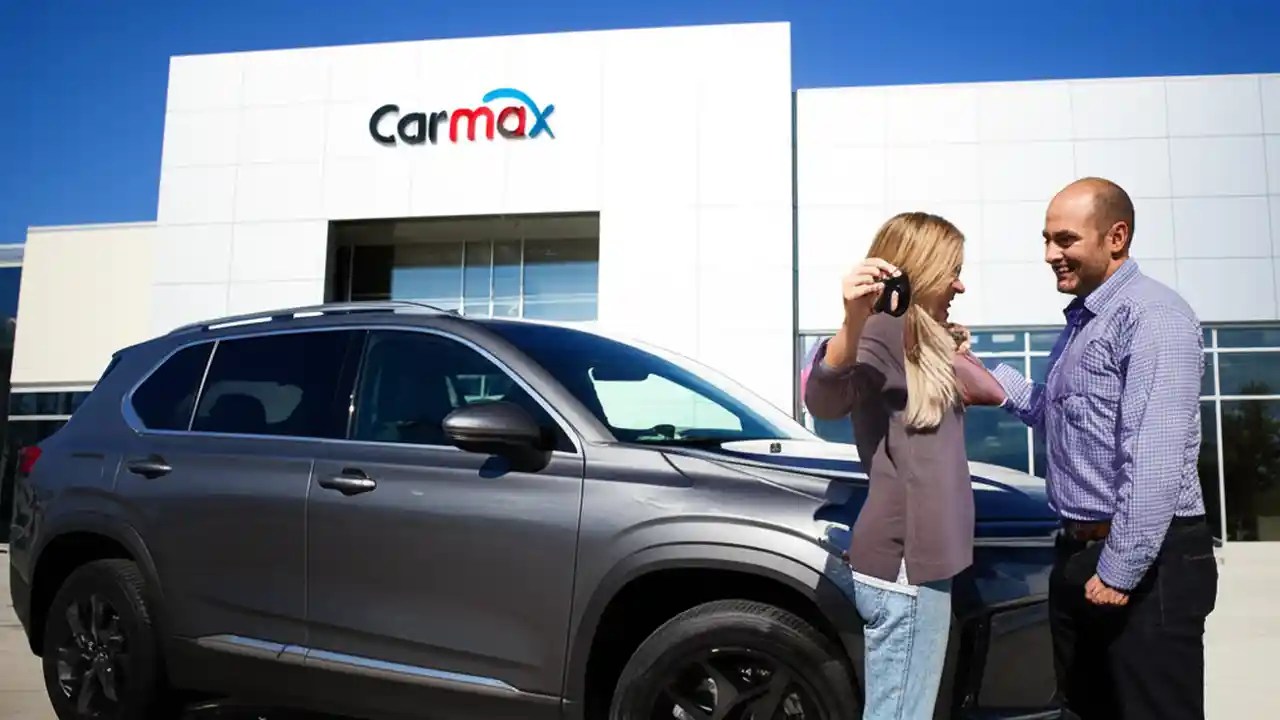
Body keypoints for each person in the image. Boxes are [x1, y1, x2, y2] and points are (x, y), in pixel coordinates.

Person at [961, 177, 1218, 720]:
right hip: (1081, 554)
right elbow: (1064, 417)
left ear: (1116, 237)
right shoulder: (1085, 322)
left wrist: (1120, 569)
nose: (1050, 254)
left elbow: (1153, 458)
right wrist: (986, 375)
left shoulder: (1153, 317)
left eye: (1065, 240)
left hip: (1147, 564)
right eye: (1046, 240)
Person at [804, 211, 976, 720]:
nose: (960, 285)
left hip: (919, 567)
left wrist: (950, 348)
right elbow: (824, 399)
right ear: (921, 270)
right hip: (908, 568)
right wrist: (852, 320)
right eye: (952, 271)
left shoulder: (917, 338)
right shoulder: (882, 330)